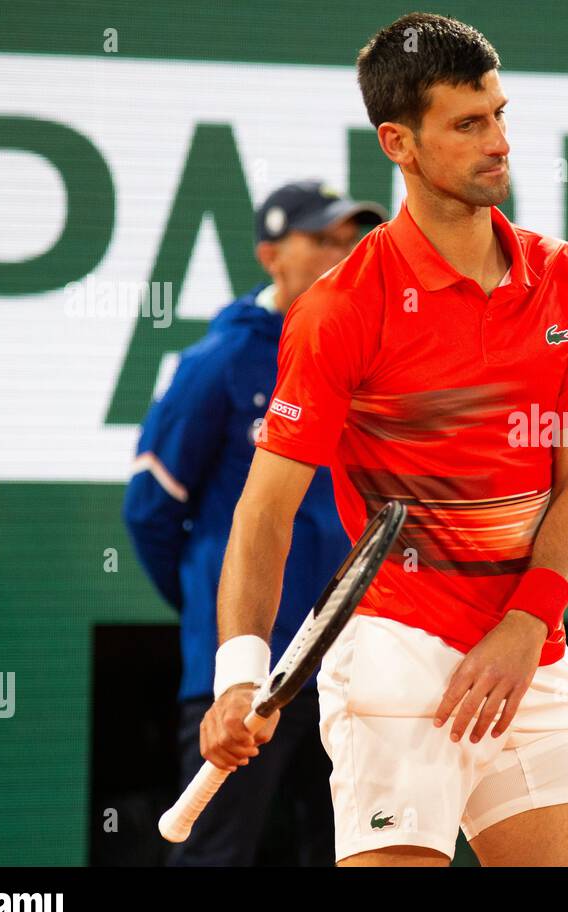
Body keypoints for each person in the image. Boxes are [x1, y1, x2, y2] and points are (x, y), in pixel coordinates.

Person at [201, 12, 568, 867]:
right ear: (399, 142)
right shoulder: (341, 311)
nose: (497, 141)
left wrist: (522, 625)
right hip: (397, 658)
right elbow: (263, 513)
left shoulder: (564, 277)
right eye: (468, 124)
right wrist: (239, 675)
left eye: (500, 114)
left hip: (528, 658)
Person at [123, 181, 388, 865]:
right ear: (271, 254)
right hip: (244, 676)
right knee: (216, 856)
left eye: (350, 238)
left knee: (352, 853)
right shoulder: (217, 364)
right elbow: (151, 513)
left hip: (353, 670)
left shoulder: (367, 358)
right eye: (322, 238)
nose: (342, 253)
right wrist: (220, 619)